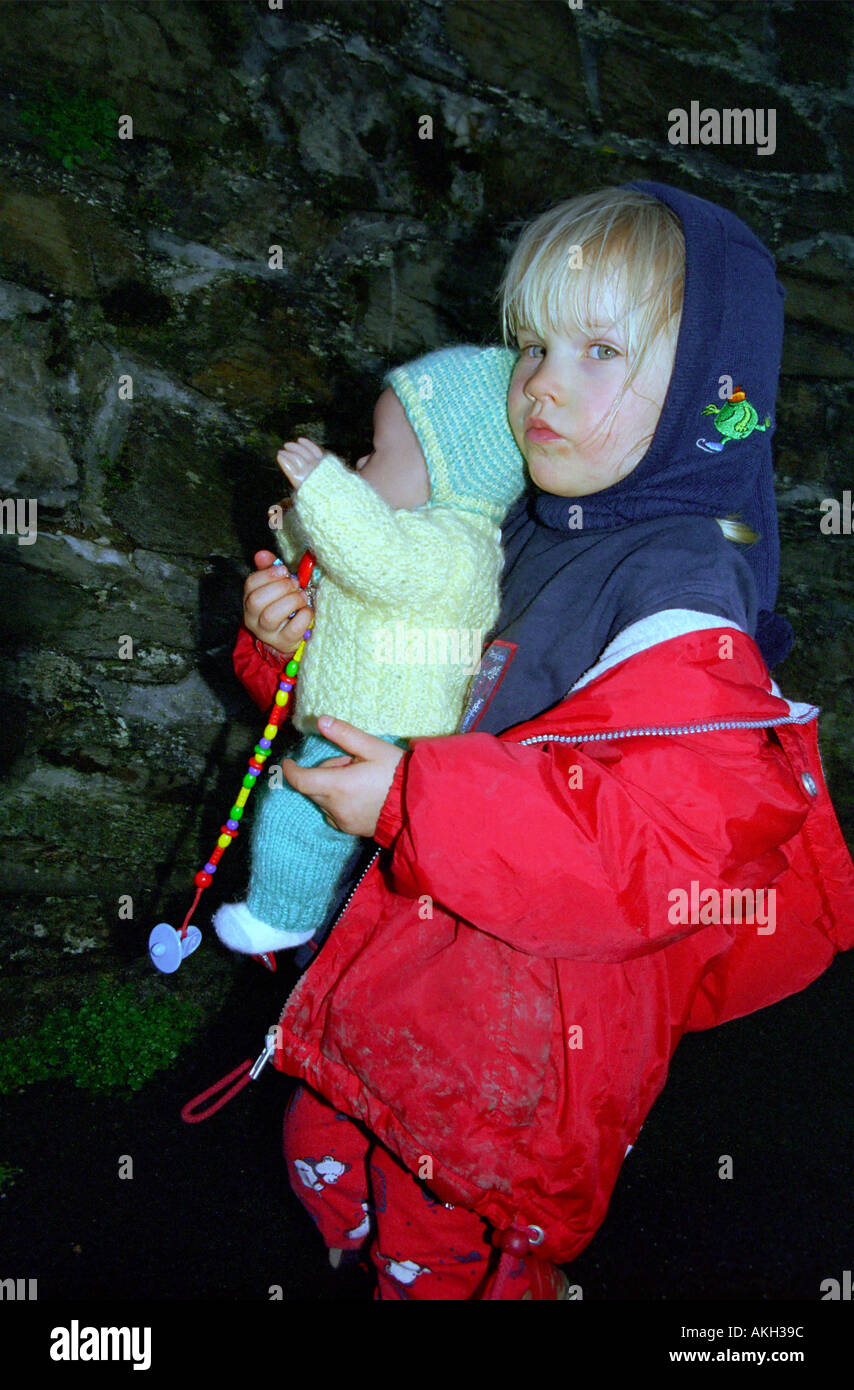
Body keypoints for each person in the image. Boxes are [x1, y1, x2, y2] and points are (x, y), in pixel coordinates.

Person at [232, 183, 854, 1299]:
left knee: (446, 1250)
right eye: (529, 343)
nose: (540, 385)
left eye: (599, 349)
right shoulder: (525, 526)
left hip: (521, 1047)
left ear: (710, 392)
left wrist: (414, 805)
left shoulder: (683, 593)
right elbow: (414, 683)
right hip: (408, 974)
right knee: (326, 1153)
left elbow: (670, 849)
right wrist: (293, 649)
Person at [214, 346, 527, 957]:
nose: (358, 462)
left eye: (378, 451)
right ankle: (294, 923)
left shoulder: (458, 547)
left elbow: (375, 554)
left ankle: (282, 916)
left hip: (386, 728)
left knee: (296, 814)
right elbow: (341, 545)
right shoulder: (405, 526)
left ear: (448, 471)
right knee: (296, 807)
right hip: (354, 720)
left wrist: (323, 484)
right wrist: (293, 521)